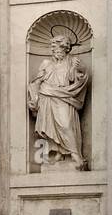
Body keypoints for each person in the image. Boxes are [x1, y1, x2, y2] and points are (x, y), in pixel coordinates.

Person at [28, 32, 89, 169]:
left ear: (66, 50)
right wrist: (34, 99)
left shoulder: (72, 62)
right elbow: (37, 82)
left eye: (60, 49)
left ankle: (75, 154)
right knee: (50, 125)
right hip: (47, 96)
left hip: (64, 97)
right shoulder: (46, 63)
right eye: (54, 49)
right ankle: (59, 151)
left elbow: (76, 79)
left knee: (66, 125)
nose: (57, 52)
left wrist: (78, 68)